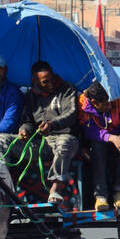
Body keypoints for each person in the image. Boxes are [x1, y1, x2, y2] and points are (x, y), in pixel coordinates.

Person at [16, 60, 81, 205]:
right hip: (41, 143)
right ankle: (1, 188)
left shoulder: (67, 89)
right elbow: (27, 121)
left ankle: (55, 189)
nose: (51, 83)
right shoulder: (30, 96)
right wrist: (24, 129)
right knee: (0, 140)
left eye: (52, 79)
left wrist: (52, 125)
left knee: (64, 142)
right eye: (46, 82)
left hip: (66, 139)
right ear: (35, 80)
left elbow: (71, 114)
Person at [79, 81, 120, 211]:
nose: (110, 106)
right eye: (105, 104)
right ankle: (101, 197)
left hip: (119, 136)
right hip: (98, 140)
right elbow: (90, 131)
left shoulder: (117, 99)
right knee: (97, 149)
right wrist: (112, 138)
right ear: (94, 102)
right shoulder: (82, 105)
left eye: (110, 102)